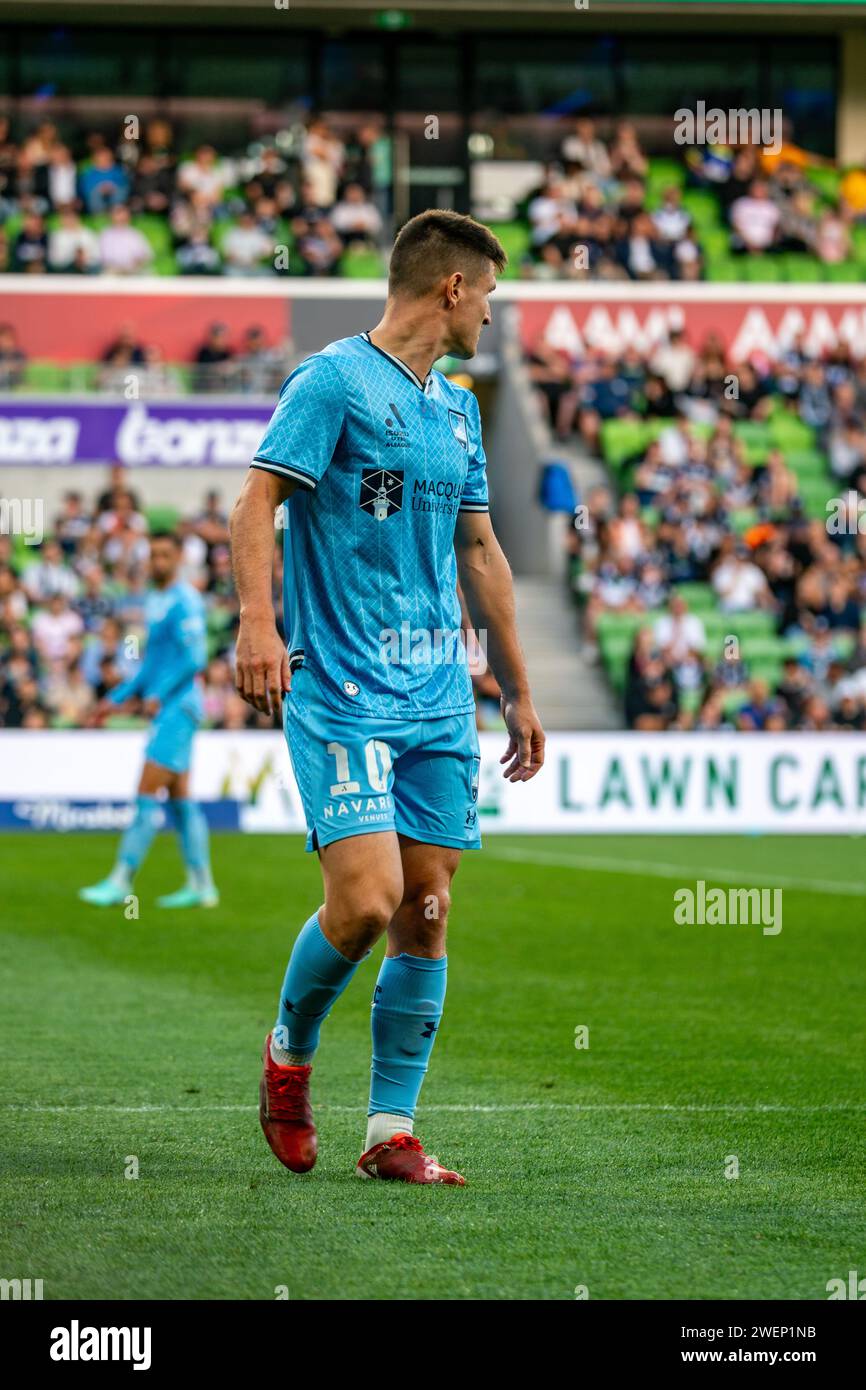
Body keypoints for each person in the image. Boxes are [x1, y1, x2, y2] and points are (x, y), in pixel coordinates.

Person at [230, 209, 545, 1186]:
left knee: (429, 909)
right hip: (344, 687)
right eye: (487, 293)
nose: (490, 314)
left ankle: (388, 1131)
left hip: (438, 697)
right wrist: (255, 621)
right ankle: (288, 1055)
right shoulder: (330, 381)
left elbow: (482, 548)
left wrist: (518, 690)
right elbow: (255, 500)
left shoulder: (457, 411)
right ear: (451, 287)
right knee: (365, 904)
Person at [78, 532, 218, 910]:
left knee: (145, 792)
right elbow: (149, 666)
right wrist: (115, 699)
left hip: (178, 709)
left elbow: (195, 659)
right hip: (174, 708)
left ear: (177, 559)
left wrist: (159, 694)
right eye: (152, 554)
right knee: (180, 801)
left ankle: (121, 880)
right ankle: (202, 886)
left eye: (164, 555)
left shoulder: (185, 599)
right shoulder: (154, 599)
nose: (157, 561)